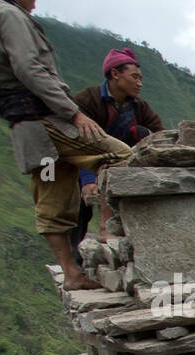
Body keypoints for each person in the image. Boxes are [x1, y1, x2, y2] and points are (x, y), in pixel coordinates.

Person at [0, 0, 131, 290]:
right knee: (120, 155)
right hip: (51, 124)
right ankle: (106, 228)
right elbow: (28, 68)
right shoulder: (8, 15)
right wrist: (73, 113)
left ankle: (72, 274)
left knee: (51, 189)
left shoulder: (10, 15)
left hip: (33, 136)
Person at [68, 48, 163, 254]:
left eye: (140, 78)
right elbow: (79, 142)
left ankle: (113, 233)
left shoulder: (139, 106)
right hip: (82, 163)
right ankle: (75, 264)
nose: (140, 83)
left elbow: (160, 134)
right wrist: (88, 180)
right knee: (77, 214)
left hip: (118, 165)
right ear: (115, 74)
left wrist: (142, 135)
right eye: (134, 77)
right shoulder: (89, 99)